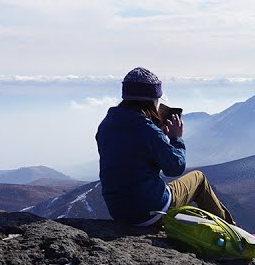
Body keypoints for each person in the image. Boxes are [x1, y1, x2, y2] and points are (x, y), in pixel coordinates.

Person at [96, 67, 234, 226]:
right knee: (199, 179)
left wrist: (158, 137)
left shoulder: (106, 125)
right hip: (149, 211)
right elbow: (174, 168)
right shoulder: (148, 130)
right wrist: (176, 138)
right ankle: (233, 231)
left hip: (119, 212)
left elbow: (129, 156)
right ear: (151, 100)